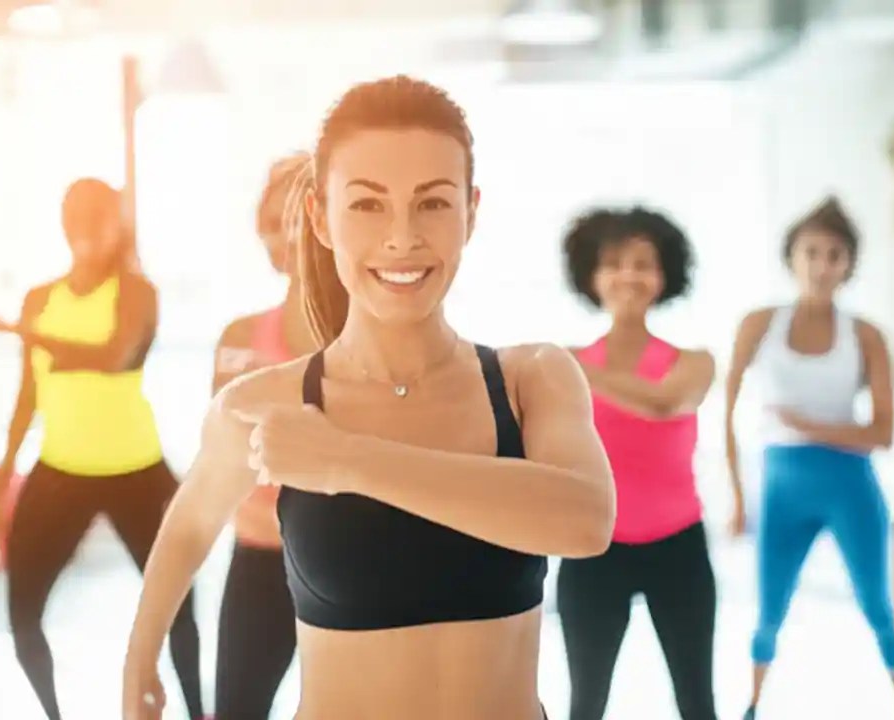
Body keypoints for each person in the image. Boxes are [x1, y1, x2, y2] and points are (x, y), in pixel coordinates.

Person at [121, 75, 616, 720]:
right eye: (367, 204)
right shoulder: (265, 403)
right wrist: (140, 655)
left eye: (434, 203)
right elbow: (189, 526)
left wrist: (348, 461)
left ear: (472, 211)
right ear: (320, 218)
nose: (403, 237)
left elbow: (585, 521)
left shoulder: (532, 379)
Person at [0, 178, 205, 720]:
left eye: (96, 216)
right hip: (60, 471)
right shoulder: (40, 299)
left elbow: (116, 357)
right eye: (73, 215)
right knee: (22, 613)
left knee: (180, 611)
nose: (83, 227)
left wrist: (20, 332)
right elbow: (27, 399)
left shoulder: (136, 291)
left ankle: (198, 713)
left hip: (137, 471)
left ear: (116, 224)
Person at [724, 197, 894, 719]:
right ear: (792, 257)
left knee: (879, 607)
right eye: (812, 252)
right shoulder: (758, 324)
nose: (822, 266)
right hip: (781, 483)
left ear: (849, 264)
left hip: (851, 485)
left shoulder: (866, 335)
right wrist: (736, 495)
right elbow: (726, 413)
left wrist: (808, 426)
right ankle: (752, 706)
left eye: (835, 255)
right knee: (768, 610)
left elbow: (884, 432)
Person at [557, 206, 718, 720]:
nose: (629, 275)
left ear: (665, 274)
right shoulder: (567, 365)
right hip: (593, 548)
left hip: (679, 547)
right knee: (585, 705)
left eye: (643, 263)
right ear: (591, 275)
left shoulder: (694, 363)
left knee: (697, 702)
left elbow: (663, 403)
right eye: (614, 263)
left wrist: (572, 369)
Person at [211, 152, 318, 718]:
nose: (288, 236)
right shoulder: (240, 335)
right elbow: (225, 452)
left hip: (348, 559)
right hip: (259, 554)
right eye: (277, 223)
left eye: (299, 218)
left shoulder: (376, 343)